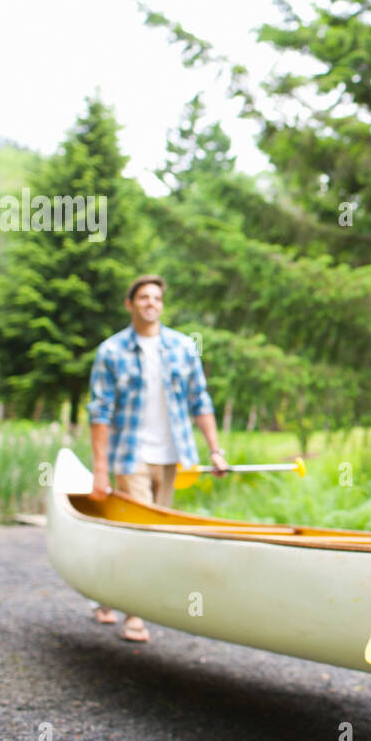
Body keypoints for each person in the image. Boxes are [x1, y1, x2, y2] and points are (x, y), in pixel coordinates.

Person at [86, 274, 228, 642]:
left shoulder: (182, 348)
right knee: (144, 534)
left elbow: (201, 400)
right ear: (130, 304)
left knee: (152, 533)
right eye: (144, 298)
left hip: (171, 459)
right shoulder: (111, 352)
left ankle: (106, 594)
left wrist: (214, 449)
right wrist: (100, 469)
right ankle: (136, 615)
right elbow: (99, 412)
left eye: (157, 298)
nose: (151, 303)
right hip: (129, 456)